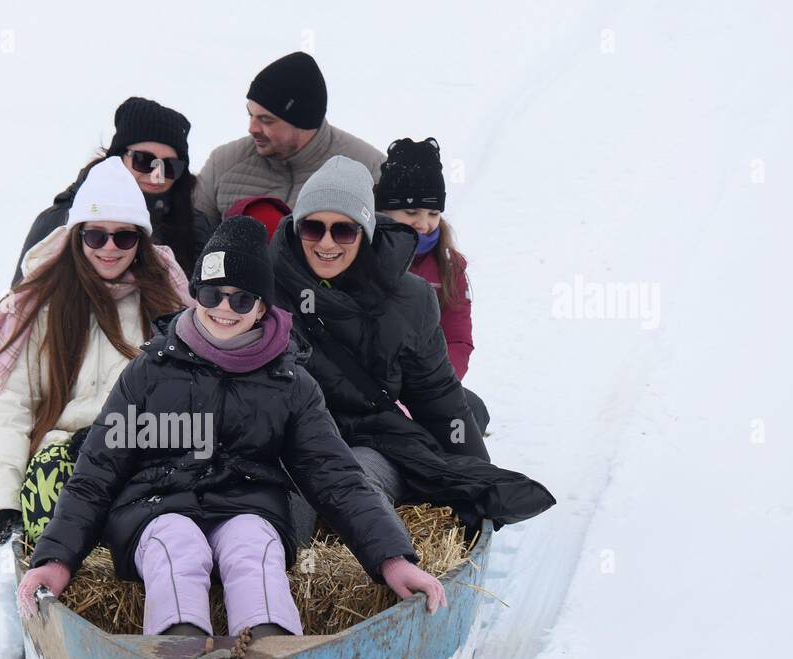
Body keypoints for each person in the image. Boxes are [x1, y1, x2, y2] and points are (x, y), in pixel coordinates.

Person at [15, 217, 446, 637]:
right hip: (156, 506)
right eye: (211, 294)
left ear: (262, 307)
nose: (223, 308)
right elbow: (97, 471)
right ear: (194, 295)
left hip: (248, 506)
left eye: (241, 299)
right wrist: (57, 559)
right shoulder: (150, 370)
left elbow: (336, 475)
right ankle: (177, 656)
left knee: (254, 548)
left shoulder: (289, 382)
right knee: (176, 544)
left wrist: (392, 558)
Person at [270, 157, 555, 535]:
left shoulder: (408, 300)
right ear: (295, 228)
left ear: (366, 232)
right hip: (287, 442)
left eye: (343, 231)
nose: (326, 243)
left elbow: (440, 399)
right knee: (283, 504)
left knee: (353, 486)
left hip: (371, 440)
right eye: (312, 227)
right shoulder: (264, 289)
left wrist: (475, 482)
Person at [0, 157, 191, 549]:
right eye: (96, 236)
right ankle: (57, 581)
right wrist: (0, 500)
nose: (110, 248)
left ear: (139, 241)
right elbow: (9, 403)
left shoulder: (168, 303)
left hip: (142, 451)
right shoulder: (39, 304)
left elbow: (191, 398)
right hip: (61, 454)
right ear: (77, 236)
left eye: (124, 237)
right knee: (56, 497)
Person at [11, 97, 210, 287]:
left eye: (170, 165)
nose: (157, 174)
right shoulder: (62, 219)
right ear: (117, 158)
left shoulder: (195, 226)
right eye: (144, 160)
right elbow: (21, 306)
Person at [376, 137, 489, 433]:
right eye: (411, 213)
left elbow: (458, 339)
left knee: (472, 411)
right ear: (384, 211)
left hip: (428, 383)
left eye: (433, 213)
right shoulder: (359, 253)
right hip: (370, 385)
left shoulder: (449, 266)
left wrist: (432, 388)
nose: (424, 223)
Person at [193, 52, 386, 222]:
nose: (252, 128)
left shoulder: (370, 169)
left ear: (303, 123)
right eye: (250, 114)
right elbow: (190, 242)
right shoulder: (223, 164)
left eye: (266, 120)